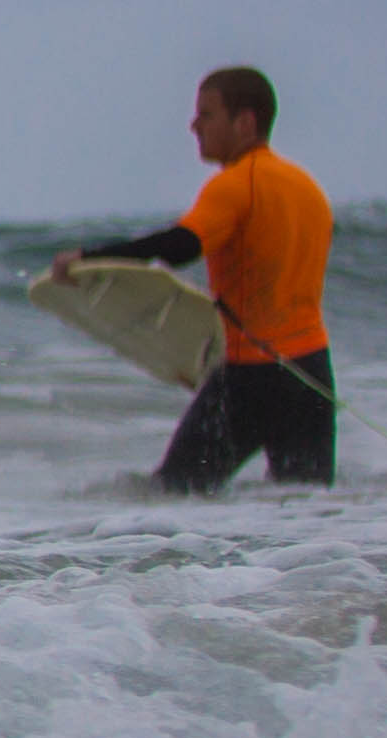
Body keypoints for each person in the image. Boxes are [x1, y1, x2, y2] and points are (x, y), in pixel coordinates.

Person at [49, 65, 335, 494]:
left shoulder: (235, 185)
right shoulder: (308, 189)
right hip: (311, 374)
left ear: (245, 122)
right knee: (307, 512)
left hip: (250, 380)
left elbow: (181, 246)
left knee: (171, 495)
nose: (193, 125)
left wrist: (88, 258)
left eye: (206, 114)